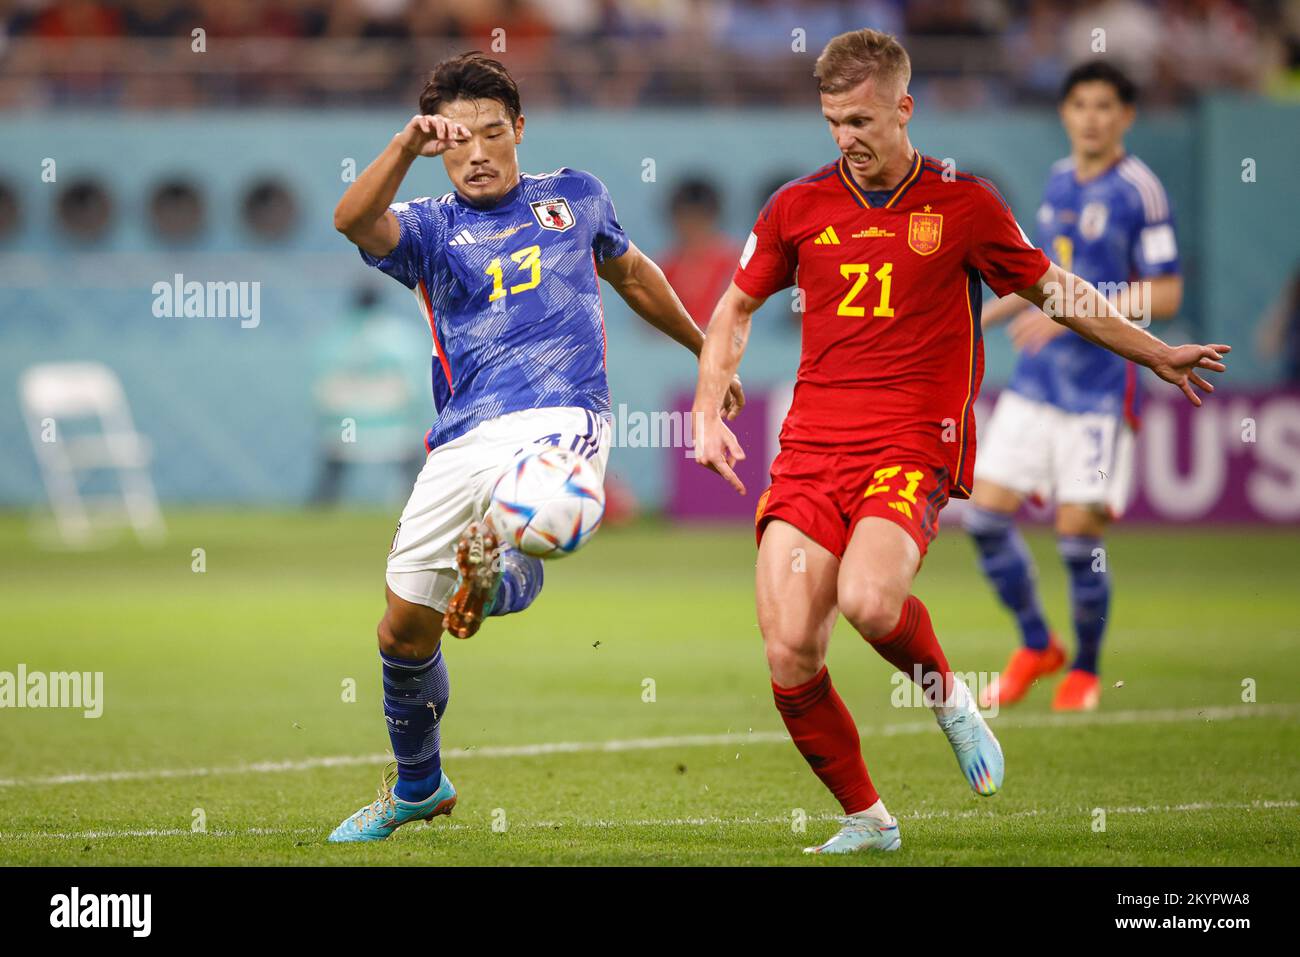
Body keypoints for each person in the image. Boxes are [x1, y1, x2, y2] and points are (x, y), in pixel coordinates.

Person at [692, 29, 1228, 854]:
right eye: (834, 120)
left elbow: (1056, 290)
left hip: (913, 442)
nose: (847, 138)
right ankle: (868, 816)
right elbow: (733, 309)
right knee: (790, 646)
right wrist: (704, 406)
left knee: (871, 601)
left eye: (863, 119)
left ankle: (948, 699)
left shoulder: (964, 204)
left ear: (904, 108)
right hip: (810, 449)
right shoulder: (797, 206)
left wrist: (1156, 352)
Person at [328, 52, 742, 843]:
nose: (476, 153)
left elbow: (636, 275)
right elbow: (351, 219)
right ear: (439, 149)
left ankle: (507, 568)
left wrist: (707, 354)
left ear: (519, 129)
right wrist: (402, 147)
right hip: (460, 437)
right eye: (457, 142)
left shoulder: (575, 197)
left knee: (549, 506)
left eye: (492, 133)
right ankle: (419, 784)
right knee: (401, 633)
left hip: (562, 412)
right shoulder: (424, 227)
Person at [966, 61, 1184, 712]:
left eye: (1105, 106)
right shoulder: (1060, 182)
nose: (1092, 116)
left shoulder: (1140, 191)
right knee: (982, 517)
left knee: (1076, 538)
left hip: (1099, 390)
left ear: (1126, 117)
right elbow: (1045, 270)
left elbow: (1166, 293)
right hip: (1037, 386)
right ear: (1065, 113)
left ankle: (1086, 669)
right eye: (1081, 104)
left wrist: (1070, 320)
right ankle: (1038, 642)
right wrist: (983, 315)